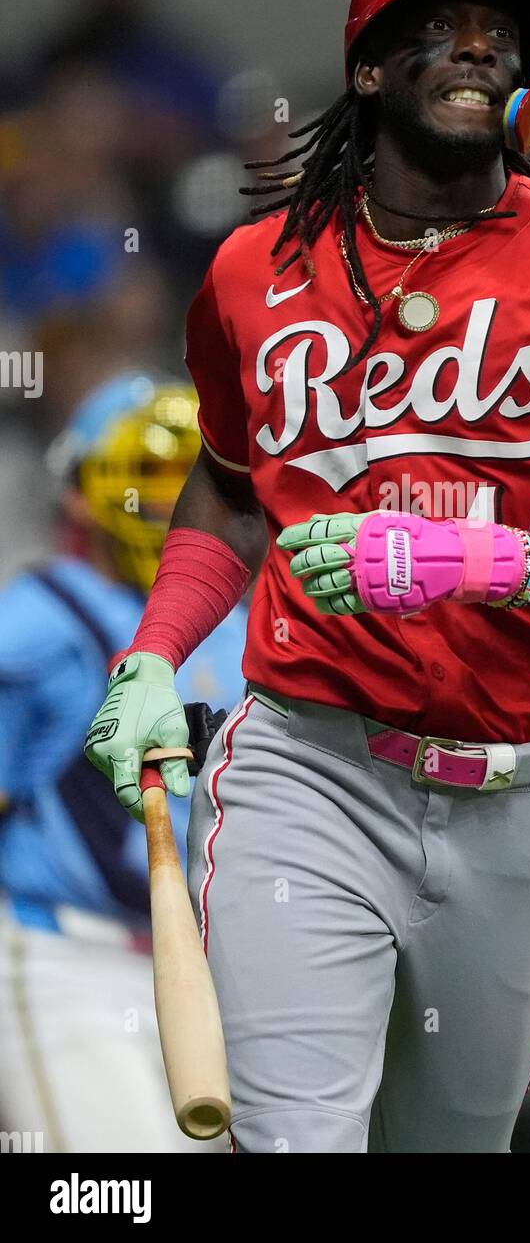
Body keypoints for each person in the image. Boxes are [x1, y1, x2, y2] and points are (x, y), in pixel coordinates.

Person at [84, 0, 530, 1154]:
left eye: (499, 33)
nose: (473, 48)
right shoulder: (250, 272)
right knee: (293, 1143)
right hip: (309, 763)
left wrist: (499, 565)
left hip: (518, 789)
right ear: (366, 69)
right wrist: (156, 652)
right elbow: (231, 491)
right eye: (437, 26)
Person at [0, 373, 246, 1152]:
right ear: (80, 495)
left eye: (182, 479)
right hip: (71, 954)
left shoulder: (250, 620)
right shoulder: (45, 613)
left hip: (218, 976)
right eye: (146, 477)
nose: (167, 501)